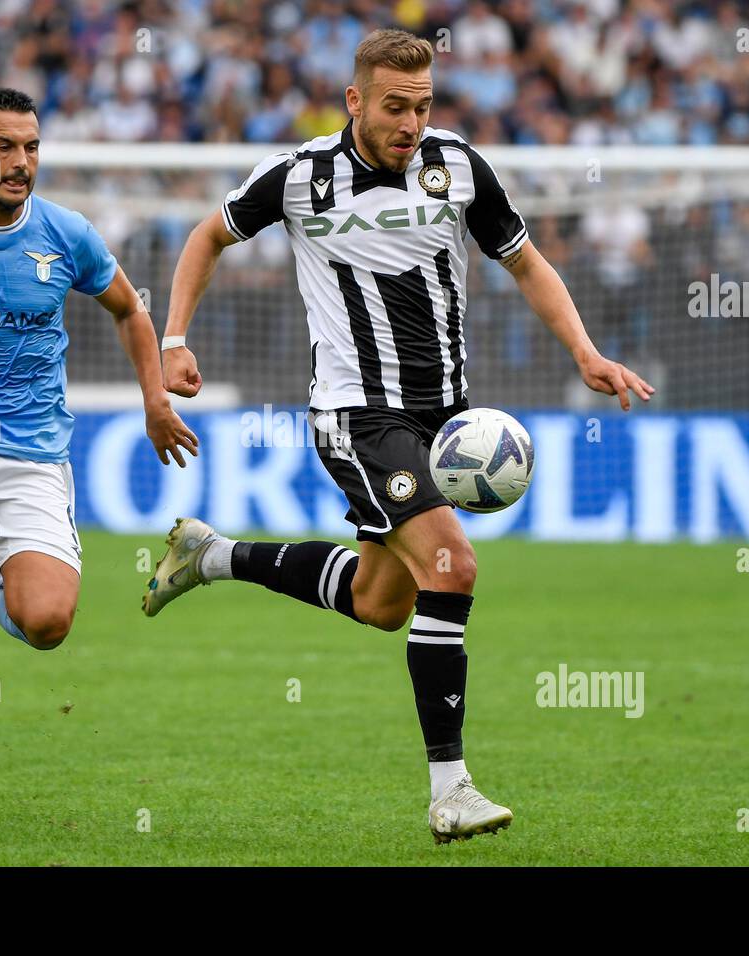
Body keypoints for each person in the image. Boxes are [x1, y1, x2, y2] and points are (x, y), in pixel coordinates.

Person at [143, 30, 652, 844]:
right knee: (453, 564)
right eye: (394, 106)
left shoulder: (458, 167)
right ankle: (450, 792)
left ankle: (213, 555)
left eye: (422, 105)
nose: (411, 121)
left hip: (446, 417)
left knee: (384, 604)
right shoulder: (301, 177)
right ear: (355, 101)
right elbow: (208, 236)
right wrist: (174, 339)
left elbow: (527, 264)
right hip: (357, 416)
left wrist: (585, 352)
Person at [0, 87, 197, 830]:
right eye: (5, 148)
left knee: (48, 623)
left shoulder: (68, 233)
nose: (21, 163)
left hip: (32, 452)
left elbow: (129, 310)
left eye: (31, 147)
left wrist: (154, 399)